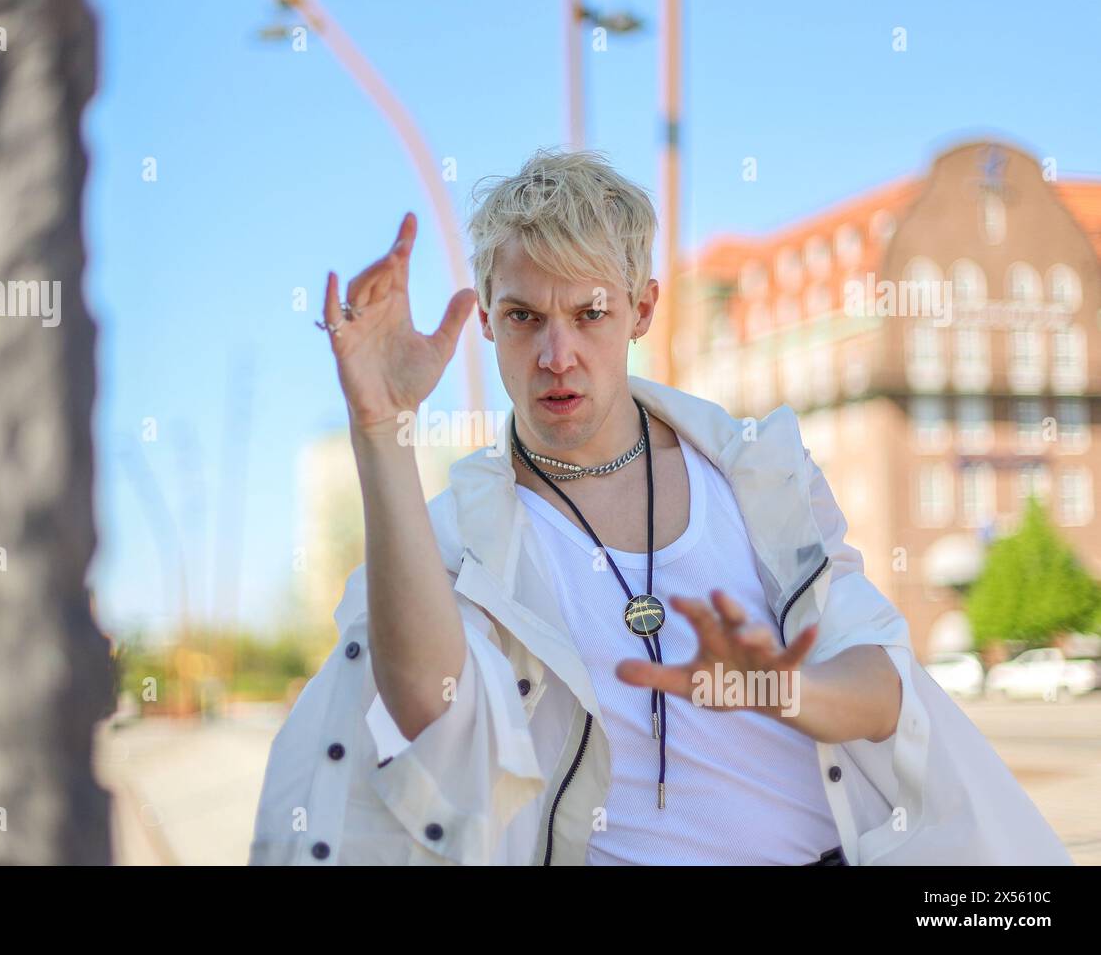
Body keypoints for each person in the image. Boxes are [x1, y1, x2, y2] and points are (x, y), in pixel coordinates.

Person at [250, 148, 1072, 865]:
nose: (556, 353)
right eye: (524, 317)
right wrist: (382, 430)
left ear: (641, 308)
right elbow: (430, 705)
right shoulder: (463, 541)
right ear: (489, 322)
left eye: (590, 313)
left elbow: (886, 687)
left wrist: (784, 690)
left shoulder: (754, 478)